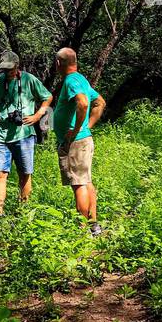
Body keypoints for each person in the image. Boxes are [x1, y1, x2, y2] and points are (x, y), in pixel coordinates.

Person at [0, 50, 52, 216]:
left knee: (25, 173)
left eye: (10, 69)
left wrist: (37, 115)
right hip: (1, 135)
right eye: (4, 69)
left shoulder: (28, 79)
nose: (7, 72)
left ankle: (23, 211)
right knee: (0, 174)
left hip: (24, 134)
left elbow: (47, 97)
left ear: (17, 66)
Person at [52, 47, 106, 236]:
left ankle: (82, 231)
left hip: (76, 142)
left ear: (59, 63)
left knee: (78, 184)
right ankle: (94, 225)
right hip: (83, 139)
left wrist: (76, 131)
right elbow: (100, 102)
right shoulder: (81, 79)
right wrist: (87, 126)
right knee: (86, 180)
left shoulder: (71, 80)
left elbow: (83, 102)